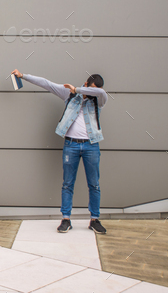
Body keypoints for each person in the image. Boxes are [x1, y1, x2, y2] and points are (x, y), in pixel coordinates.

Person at [11, 69, 108, 234]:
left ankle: (94, 219)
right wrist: (23, 76)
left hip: (91, 145)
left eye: (93, 90)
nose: (91, 92)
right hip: (71, 145)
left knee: (94, 184)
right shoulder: (69, 94)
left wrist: (77, 89)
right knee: (67, 183)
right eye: (89, 88)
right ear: (85, 83)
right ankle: (66, 219)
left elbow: (101, 92)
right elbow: (46, 83)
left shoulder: (98, 99)